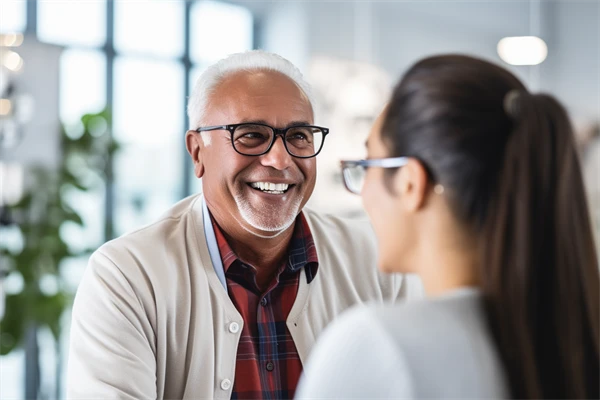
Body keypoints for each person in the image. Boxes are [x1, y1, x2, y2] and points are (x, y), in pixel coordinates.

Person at [66, 50, 422, 399]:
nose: (280, 159)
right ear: (197, 152)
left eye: (299, 136)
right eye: (251, 135)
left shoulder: (377, 258)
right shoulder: (127, 275)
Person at [296, 55, 600, 399]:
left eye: (368, 166)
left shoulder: (377, 344)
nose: (363, 191)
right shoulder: (568, 332)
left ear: (411, 183)